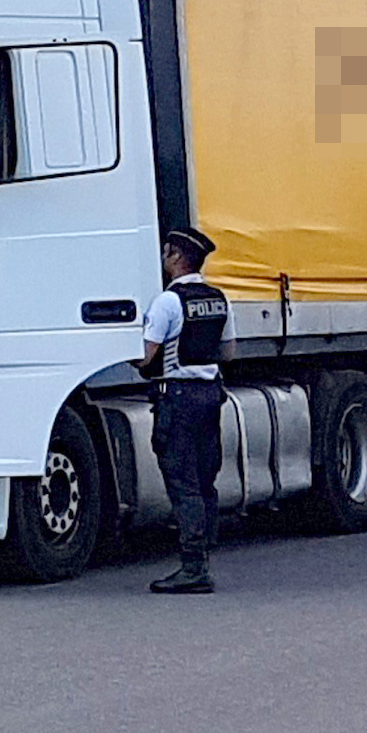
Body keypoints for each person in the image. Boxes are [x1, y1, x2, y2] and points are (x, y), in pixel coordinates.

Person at [143, 227, 231, 595]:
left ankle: (194, 568)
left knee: (184, 483)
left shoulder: (168, 302)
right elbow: (228, 352)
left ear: (178, 257)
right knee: (205, 477)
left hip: (178, 397)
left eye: (167, 252)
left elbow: (145, 356)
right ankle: (204, 552)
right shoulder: (218, 298)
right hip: (211, 394)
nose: (164, 258)